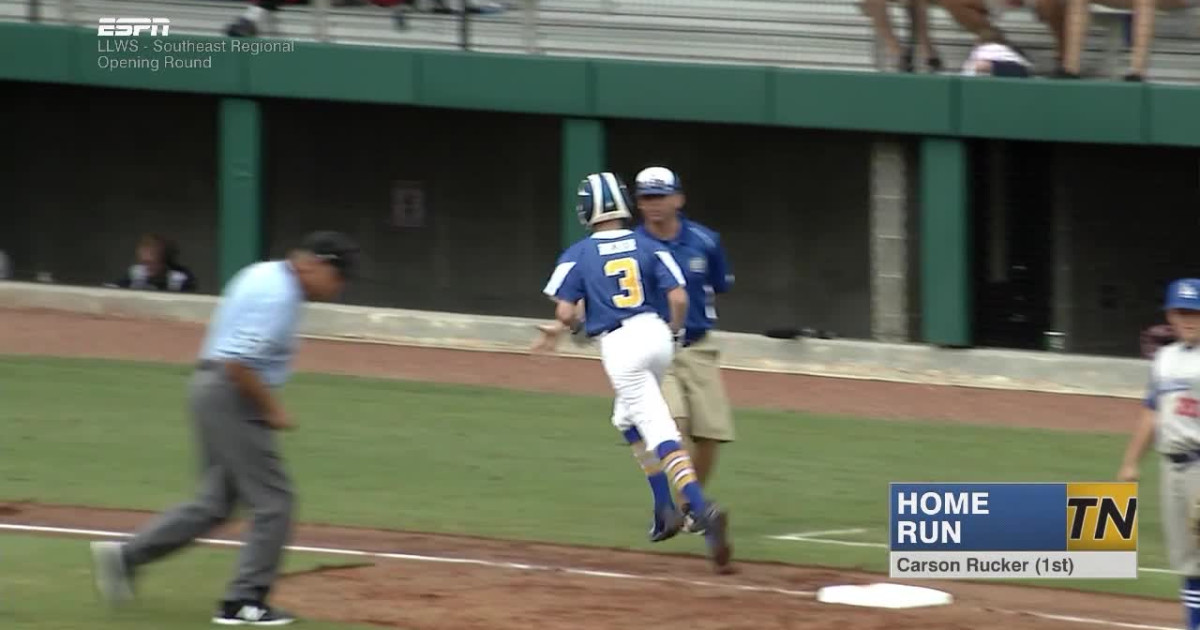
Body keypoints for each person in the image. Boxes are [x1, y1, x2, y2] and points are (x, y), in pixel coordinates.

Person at [89, 230, 360, 626]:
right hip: (232, 394)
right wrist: (272, 409)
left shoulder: (265, 273)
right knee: (274, 502)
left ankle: (127, 556)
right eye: (339, 279)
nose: (337, 290)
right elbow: (238, 362)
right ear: (317, 264)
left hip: (212, 389)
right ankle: (243, 602)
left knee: (215, 503)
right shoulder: (277, 296)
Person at [531, 172, 734, 574]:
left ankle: (698, 505)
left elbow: (567, 309)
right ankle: (662, 508)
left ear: (587, 210)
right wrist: (672, 335)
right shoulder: (646, 244)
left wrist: (563, 329)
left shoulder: (578, 252)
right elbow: (677, 297)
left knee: (658, 428)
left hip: (620, 345)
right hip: (657, 334)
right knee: (625, 418)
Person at [632, 167, 737, 539]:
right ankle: (685, 505)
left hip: (698, 346)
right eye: (646, 198)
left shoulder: (705, 241)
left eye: (660, 196)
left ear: (679, 199)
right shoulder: (632, 246)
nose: (654, 205)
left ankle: (689, 508)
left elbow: (720, 283)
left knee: (711, 434)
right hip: (654, 347)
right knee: (675, 427)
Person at [1117, 278, 1200, 629]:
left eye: (1195, 312)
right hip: (1172, 469)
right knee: (1187, 557)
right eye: (1182, 312)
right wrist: (1131, 461)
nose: (1189, 319)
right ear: (1170, 315)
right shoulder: (1164, 359)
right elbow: (1152, 411)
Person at [112, 234, 198, 293]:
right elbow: (115, 290)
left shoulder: (181, 278)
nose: (145, 268)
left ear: (164, 260)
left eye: (150, 263)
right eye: (142, 263)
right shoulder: (135, 273)